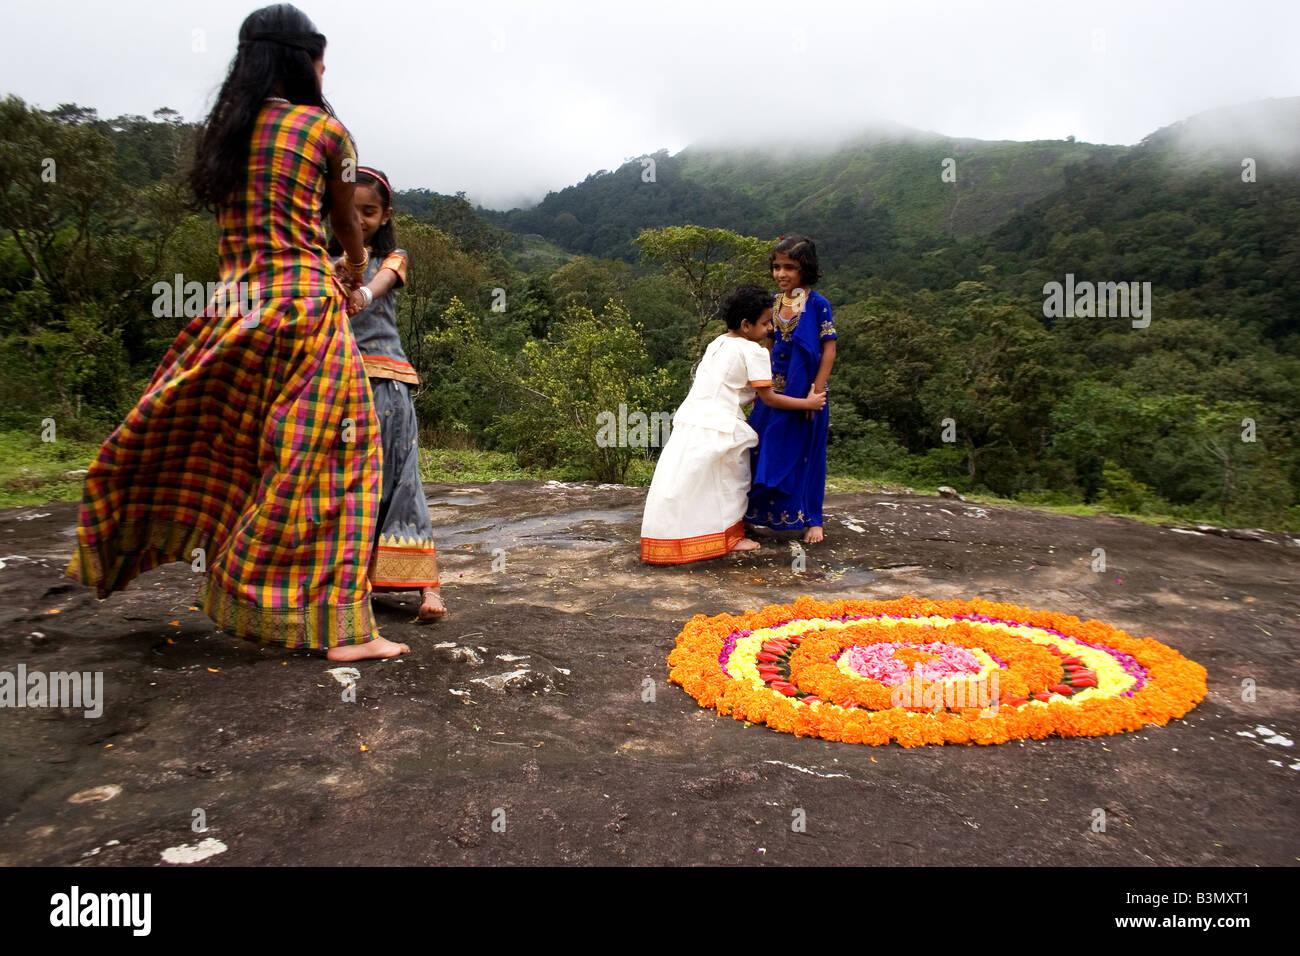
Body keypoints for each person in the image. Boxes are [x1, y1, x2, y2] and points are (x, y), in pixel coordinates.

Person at [64, 4, 409, 661]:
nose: (325, 66)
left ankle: (152, 544)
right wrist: (357, 267)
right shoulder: (324, 132)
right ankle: (342, 632)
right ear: (301, 60)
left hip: (233, 313)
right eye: (319, 54)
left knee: (231, 448)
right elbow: (346, 224)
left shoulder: (225, 131)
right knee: (341, 458)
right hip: (307, 312)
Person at [331, 167, 446, 620]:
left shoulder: (391, 259)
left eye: (370, 211)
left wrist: (358, 292)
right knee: (345, 484)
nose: (359, 220)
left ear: (385, 215)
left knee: (402, 478)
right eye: (351, 211)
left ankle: (428, 588)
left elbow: (376, 287)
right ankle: (350, 581)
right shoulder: (319, 263)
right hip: (336, 384)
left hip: (388, 383)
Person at [640, 284, 826, 564]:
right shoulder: (754, 352)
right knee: (732, 482)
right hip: (722, 423)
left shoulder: (718, 343)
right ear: (746, 324)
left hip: (694, 417)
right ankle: (730, 537)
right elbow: (770, 398)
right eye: (765, 324)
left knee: (694, 481)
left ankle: (682, 535)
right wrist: (807, 404)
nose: (768, 331)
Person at [746, 235, 837, 544]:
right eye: (776, 267)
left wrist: (817, 394)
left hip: (807, 394)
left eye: (789, 267)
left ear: (804, 269)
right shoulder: (773, 303)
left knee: (807, 454)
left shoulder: (818, 304)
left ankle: (812, 519)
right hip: (772, 392)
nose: (781, 274)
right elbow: (768, 345)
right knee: (757, 448)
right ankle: (753, 515)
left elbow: (829, 350)